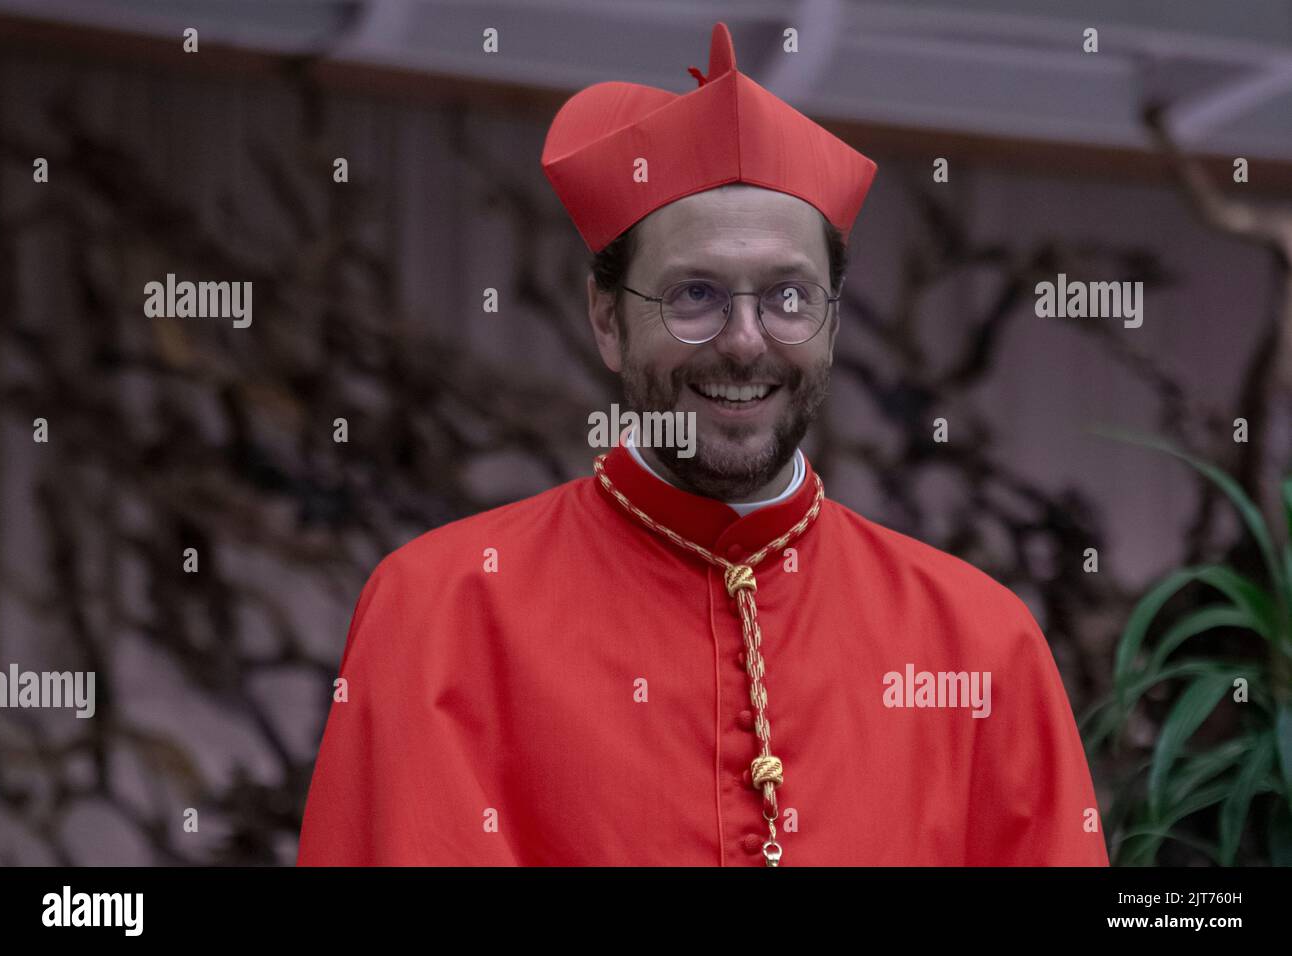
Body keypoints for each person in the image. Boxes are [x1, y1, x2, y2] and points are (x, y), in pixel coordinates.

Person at [296, 21, 1109, 867]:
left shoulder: (980, 640)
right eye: (695, 294)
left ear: (830, 321)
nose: (746, 342)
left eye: (789, 297)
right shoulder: (440, 608)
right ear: (609, 321)